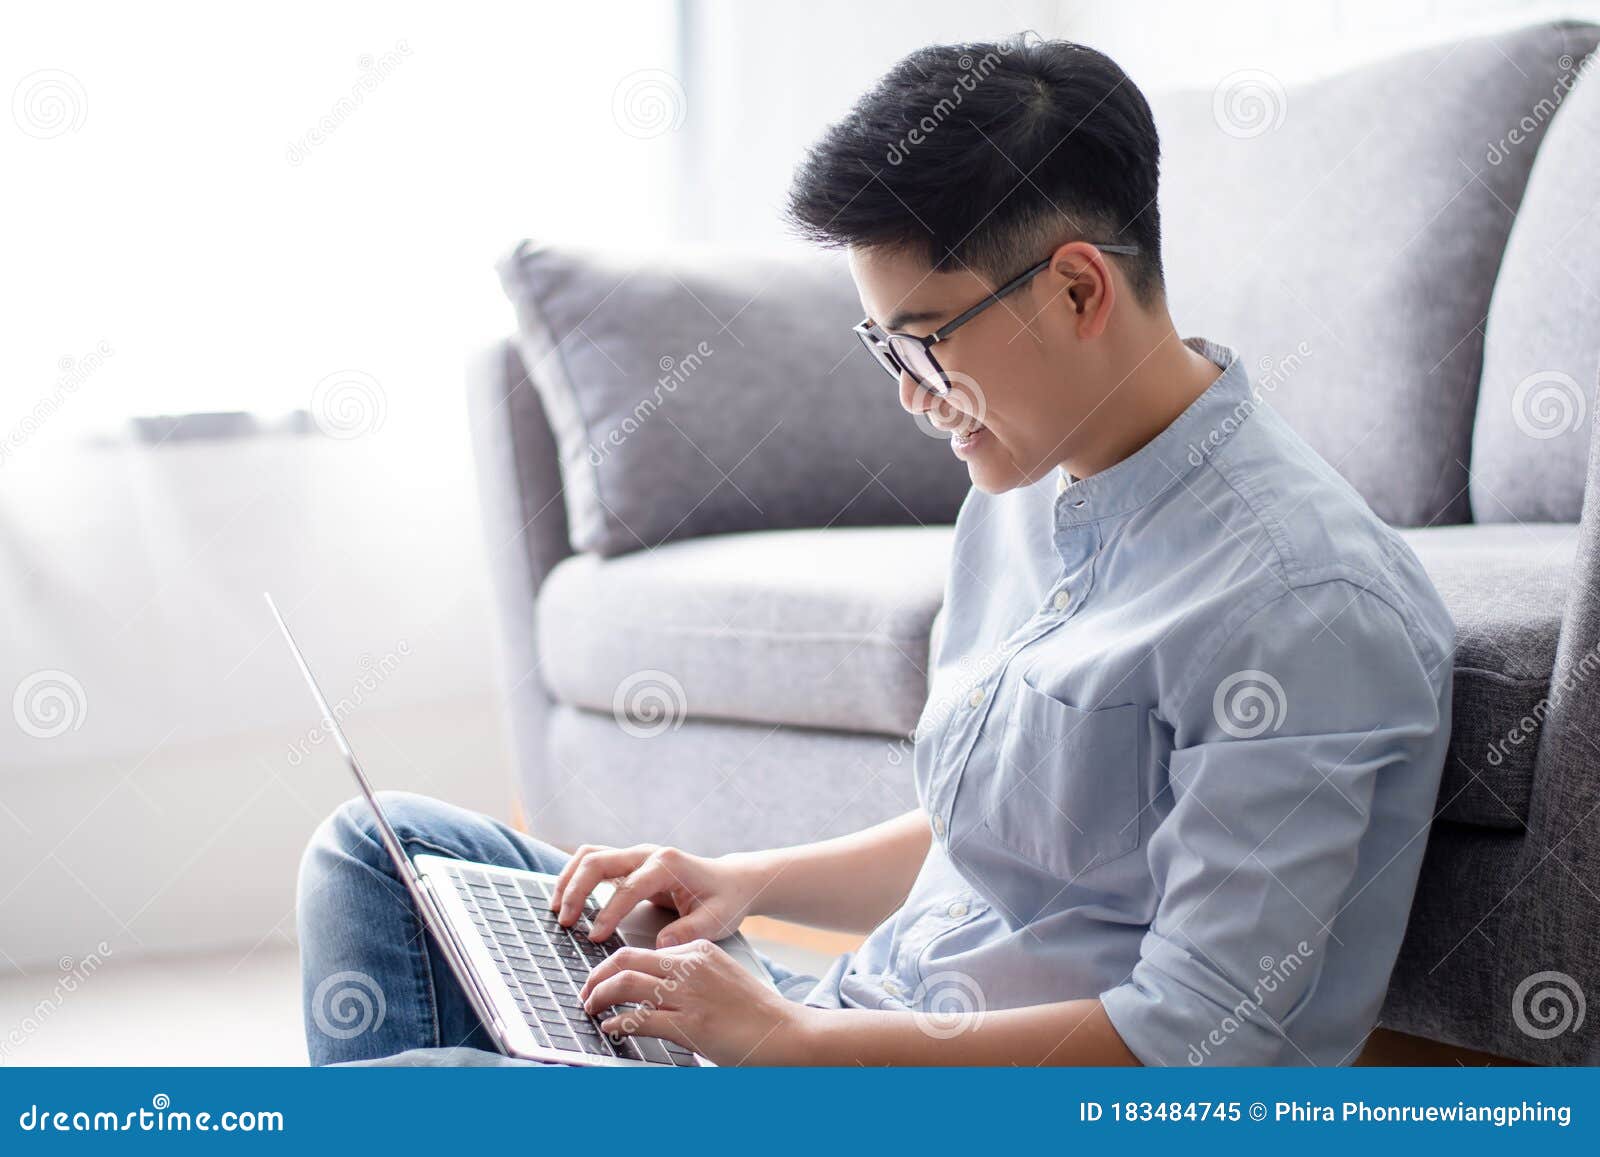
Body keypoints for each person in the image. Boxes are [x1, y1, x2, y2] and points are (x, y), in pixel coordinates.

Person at [298, 36, 1453, 1067]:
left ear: (1075, 287)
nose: (910, 396)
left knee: (422, 1090)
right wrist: (747, 880)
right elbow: (999, 838)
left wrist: (797, 1049)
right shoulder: (1020, 487)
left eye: (923, 345)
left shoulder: (1299, 602)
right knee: (378, 850)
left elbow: (1204, 1041)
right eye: (880, 345)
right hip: (842, 1020)